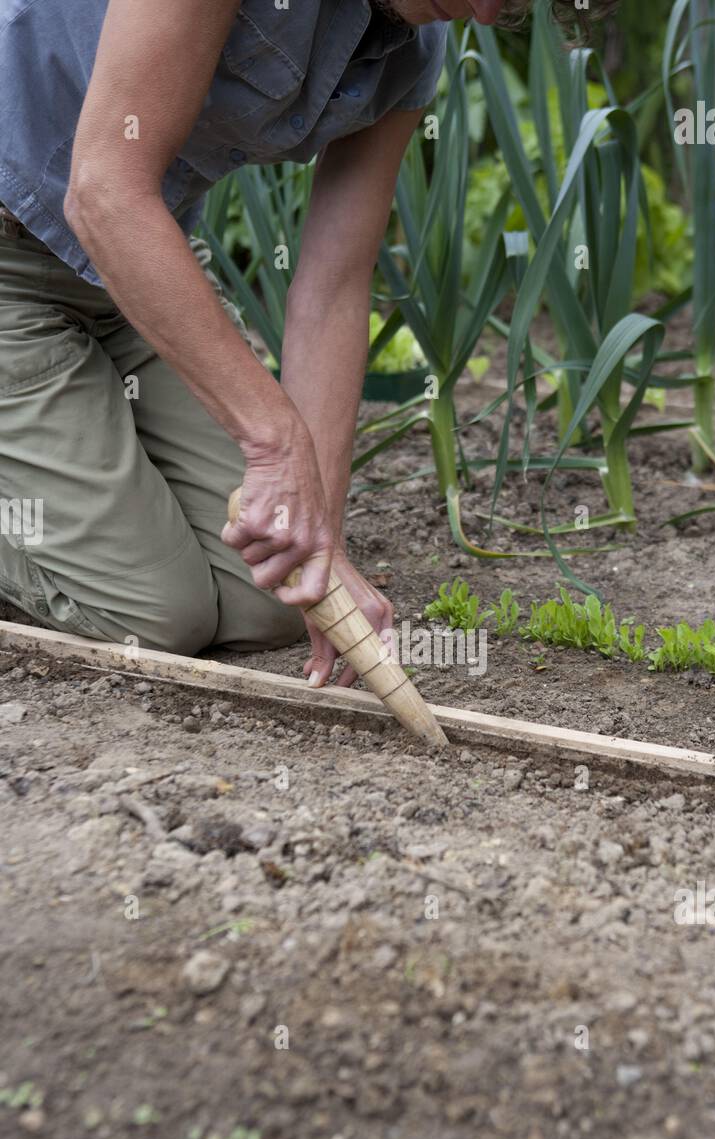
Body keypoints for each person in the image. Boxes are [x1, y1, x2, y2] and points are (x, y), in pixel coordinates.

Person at [0, 2, 578, 683]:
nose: (497, 10)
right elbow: (103, 194)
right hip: (29, 251)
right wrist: (275, 439)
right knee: (153, 617)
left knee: (275, 590)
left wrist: (320, 543)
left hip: (128, 285)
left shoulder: (413, 48)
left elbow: (334, 280)